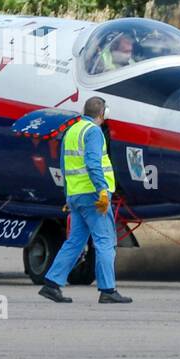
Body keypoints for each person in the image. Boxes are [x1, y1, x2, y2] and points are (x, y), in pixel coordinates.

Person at [39, 96, 132, 304]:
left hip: (76, 196)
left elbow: (63, 165)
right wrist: (101, 190)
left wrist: (68, 195)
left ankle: (51, 285)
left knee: (75, 242)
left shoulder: (71, 131)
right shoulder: (94, 132)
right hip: (93, 196)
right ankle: (108, 290)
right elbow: (92, 163)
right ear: (103, 114)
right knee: (106, 241)